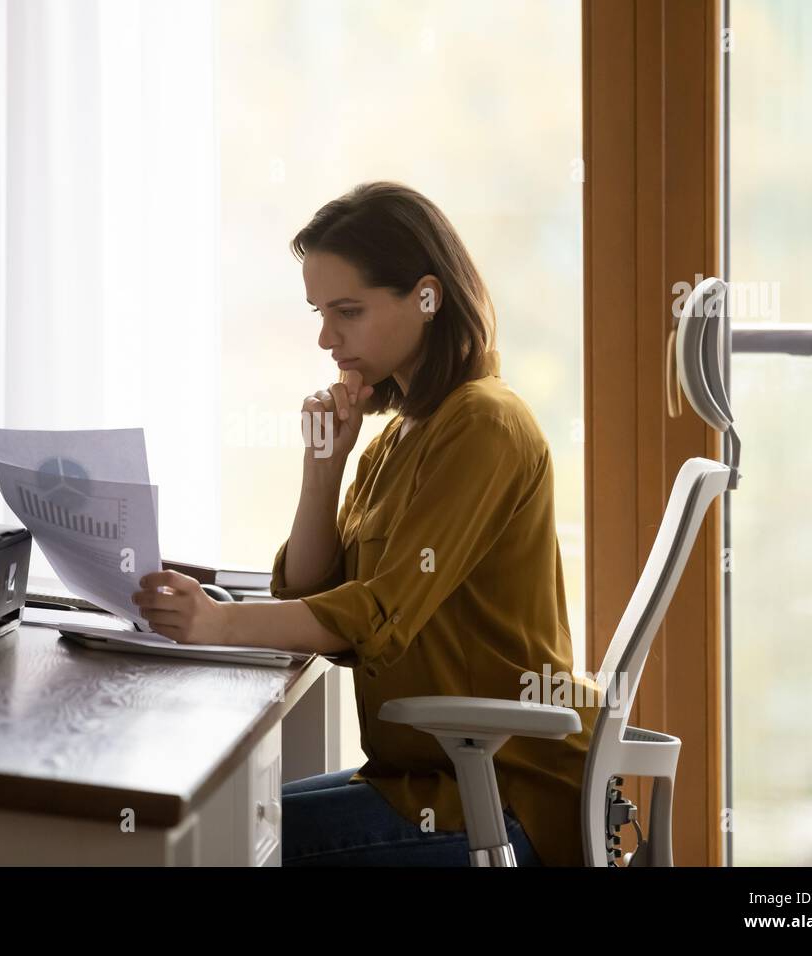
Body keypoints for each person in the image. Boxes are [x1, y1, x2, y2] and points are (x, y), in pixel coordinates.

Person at [131, 181, 600, 866]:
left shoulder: (484, 425)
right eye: (320, 312)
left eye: (347, 311)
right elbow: (310, 594)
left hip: (503, 799)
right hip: (422, 784)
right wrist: (325, 468)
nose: (326, 338)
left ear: (428, 297)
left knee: (213, 842)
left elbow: (375, 616)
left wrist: (219, 623)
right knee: (211, 824)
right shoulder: (400, 437)